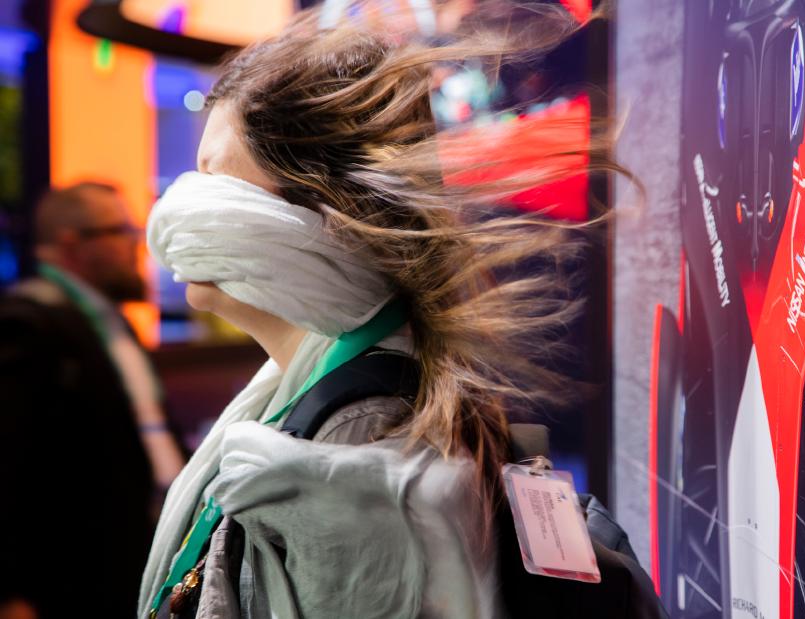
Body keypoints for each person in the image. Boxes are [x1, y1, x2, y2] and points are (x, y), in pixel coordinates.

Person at [140, 3, 661, 618]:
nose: (180, 208)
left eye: (215, 177)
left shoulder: (354, 440)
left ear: (320, 210)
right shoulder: (320, 389)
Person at [0, 183, 186, 619]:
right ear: (73, 243)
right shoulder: (26, 324)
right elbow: (5, 464)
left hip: (136, 553)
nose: (136, 244)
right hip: (75, 576)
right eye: (121, 230)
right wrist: (8, 592)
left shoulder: (110, 320)